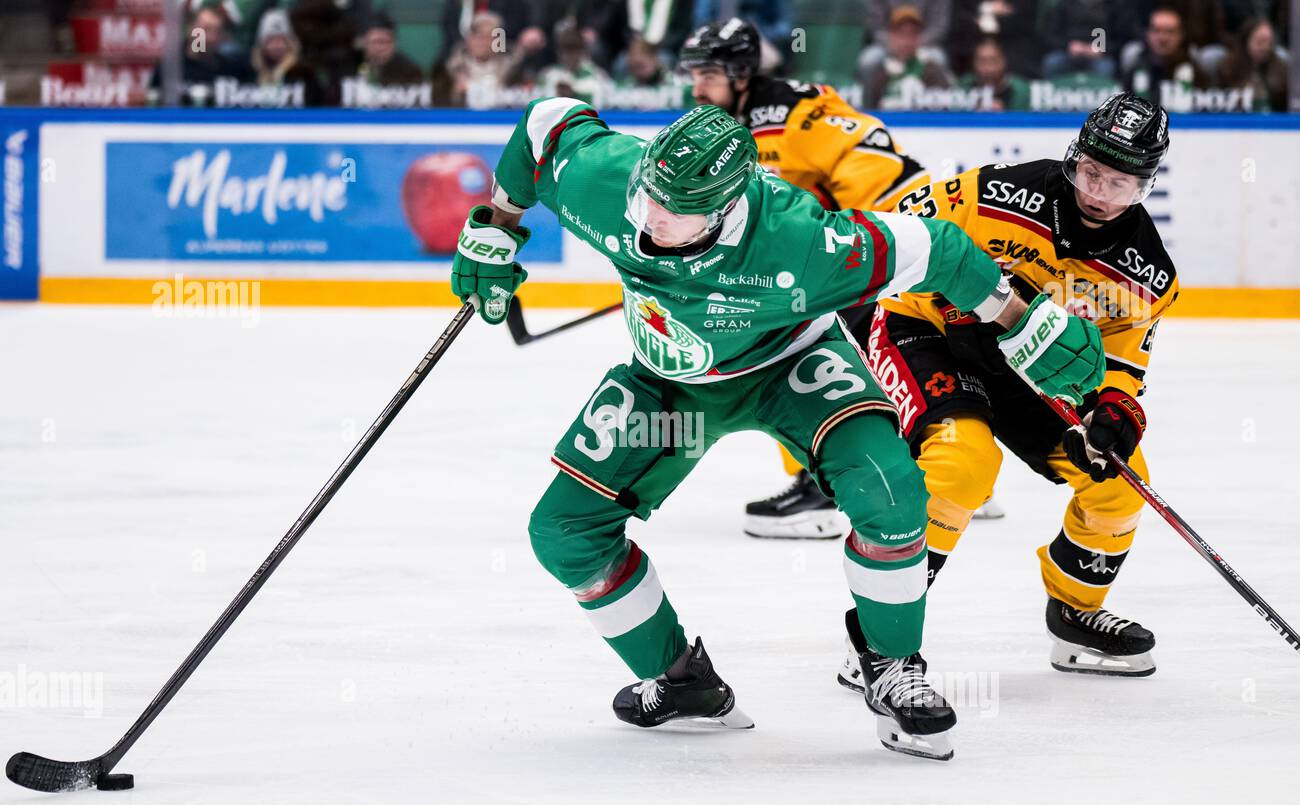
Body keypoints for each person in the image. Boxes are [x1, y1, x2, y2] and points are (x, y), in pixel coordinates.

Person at [449, 97, 1106, 759]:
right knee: (564, 532)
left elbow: (938, 248)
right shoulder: (609, 183)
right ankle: (683, 684)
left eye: (675, 210)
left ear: (727, 208)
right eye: (649, 196)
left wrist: (1020, 318)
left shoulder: (802, 241)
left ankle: (894, 666)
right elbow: (546, 124)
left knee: (893, 495)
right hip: (670, 383)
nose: (649, 220)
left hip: (793, 367)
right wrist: (497, 226)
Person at [833, 93, 1177, 692]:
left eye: (1120, 184)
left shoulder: (1148, 270)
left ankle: (1074, 611)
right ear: (1074, 158)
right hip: (925, 328)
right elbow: (899, 235)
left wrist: (1116, 407)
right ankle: (877, 636)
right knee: (962, 463)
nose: (1099, 193)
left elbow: (1122, 357)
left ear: (1147, 183)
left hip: (1027, 365)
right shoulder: (992, 192)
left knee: (1119, 482)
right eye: (1092, 172)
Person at [680, 18, 933, 539]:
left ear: (740, 71)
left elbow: (881, 162)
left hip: (880, 250)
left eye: (706, 73)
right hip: (843, 262)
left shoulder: (794, 113)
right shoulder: (726, 126)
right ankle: (926, 467)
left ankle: (824, 488)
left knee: (793, 348)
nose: (696, 87)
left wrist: (847, 240)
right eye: (693, 74)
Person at [858, 6, 955, 109]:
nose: (906, 41)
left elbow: (943, 109)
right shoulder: (876, 72)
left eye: (912, 34)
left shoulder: (933, 70)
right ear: (891, 36)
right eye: (901, 34)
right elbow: (868, 112)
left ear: (919, 37)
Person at [1122, 6, 1212, 107]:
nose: (1163, 38)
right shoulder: (1135, 70)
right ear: (1148, 34)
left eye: (1170, 32)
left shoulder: (1197, 72)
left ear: (1181, 35)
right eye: (1157, 30)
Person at [1218, 17, 1289, 112]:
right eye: (1260, 42)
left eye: (1269, 43)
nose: (1265, 48)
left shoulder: (1280, 67)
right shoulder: (1228, 66)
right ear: (1246, 41)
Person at [962, 33, 1031, 109]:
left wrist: (1002, 116)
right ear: (973, 63)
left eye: (993, 61)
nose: (988, 68)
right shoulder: (963, 87)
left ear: (1004, 62)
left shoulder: (1021, 91)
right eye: (982, 61)